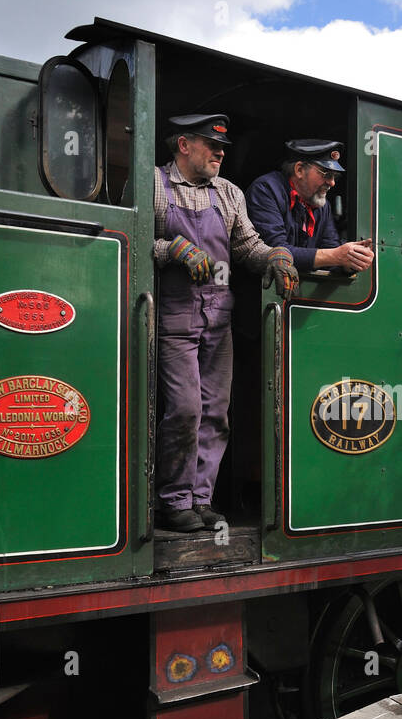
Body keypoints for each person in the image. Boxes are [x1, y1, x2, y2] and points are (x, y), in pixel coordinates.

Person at [153, 114, 298, 533]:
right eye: (210, 145)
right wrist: (170, 249)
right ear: (183, 145)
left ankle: (200, 499)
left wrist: (275, 256)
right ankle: (172, 501)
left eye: (222, 147)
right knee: (184, 409)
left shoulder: (228, 193)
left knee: (216, 413)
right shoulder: (155, 185)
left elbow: (247, 245)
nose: (220, 152)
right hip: (173, 316)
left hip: (218, 317)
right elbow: (130, 237)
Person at [245, 139, 375, 274]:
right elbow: (275, 251)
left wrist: (351, 261)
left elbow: (331, 249)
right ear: (299, 170)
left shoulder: (322, 206)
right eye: (326, 174)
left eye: (335, 176)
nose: (332, 183)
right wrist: (336, 256)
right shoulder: (267, 190)